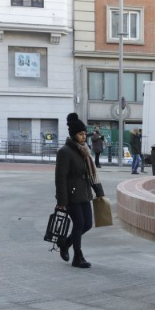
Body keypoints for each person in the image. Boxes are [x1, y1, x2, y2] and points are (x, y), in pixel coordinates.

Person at [54, 114, 101, 269]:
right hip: (71, 195)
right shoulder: (65, 152)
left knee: (87, 224)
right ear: (73, 135)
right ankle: (78, 256)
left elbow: (90, 173)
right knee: (79, 223)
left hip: (85, 193)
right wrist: (62, 202)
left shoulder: (84, 151)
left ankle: (66, 243)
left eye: (84, 134)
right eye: (80, 134)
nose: (83, 137)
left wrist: (99, 192)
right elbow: (60, 178)